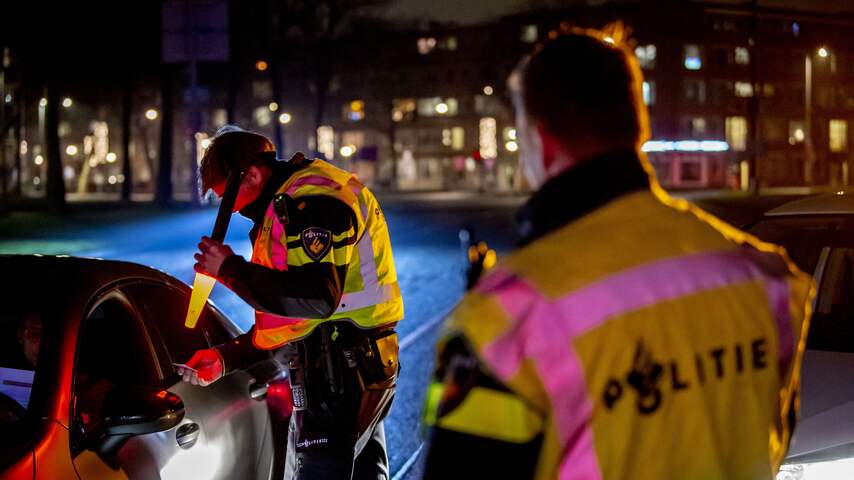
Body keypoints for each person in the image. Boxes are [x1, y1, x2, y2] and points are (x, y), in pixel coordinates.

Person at [422, 24, 814, 480]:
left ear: (542, 141)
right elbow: (772, 435)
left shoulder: (508, 317)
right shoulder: (763, 276)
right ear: (637, 125)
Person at [178, 125, 403, 480]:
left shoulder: (311, 198)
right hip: (356, 363)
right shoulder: (289, 202)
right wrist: (225, 358)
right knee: (364, 473)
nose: (229, 209)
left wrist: (230, 268)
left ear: (252, 174)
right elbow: (288, 317)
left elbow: (316, 299)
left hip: (341, 371)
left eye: (226, 196)